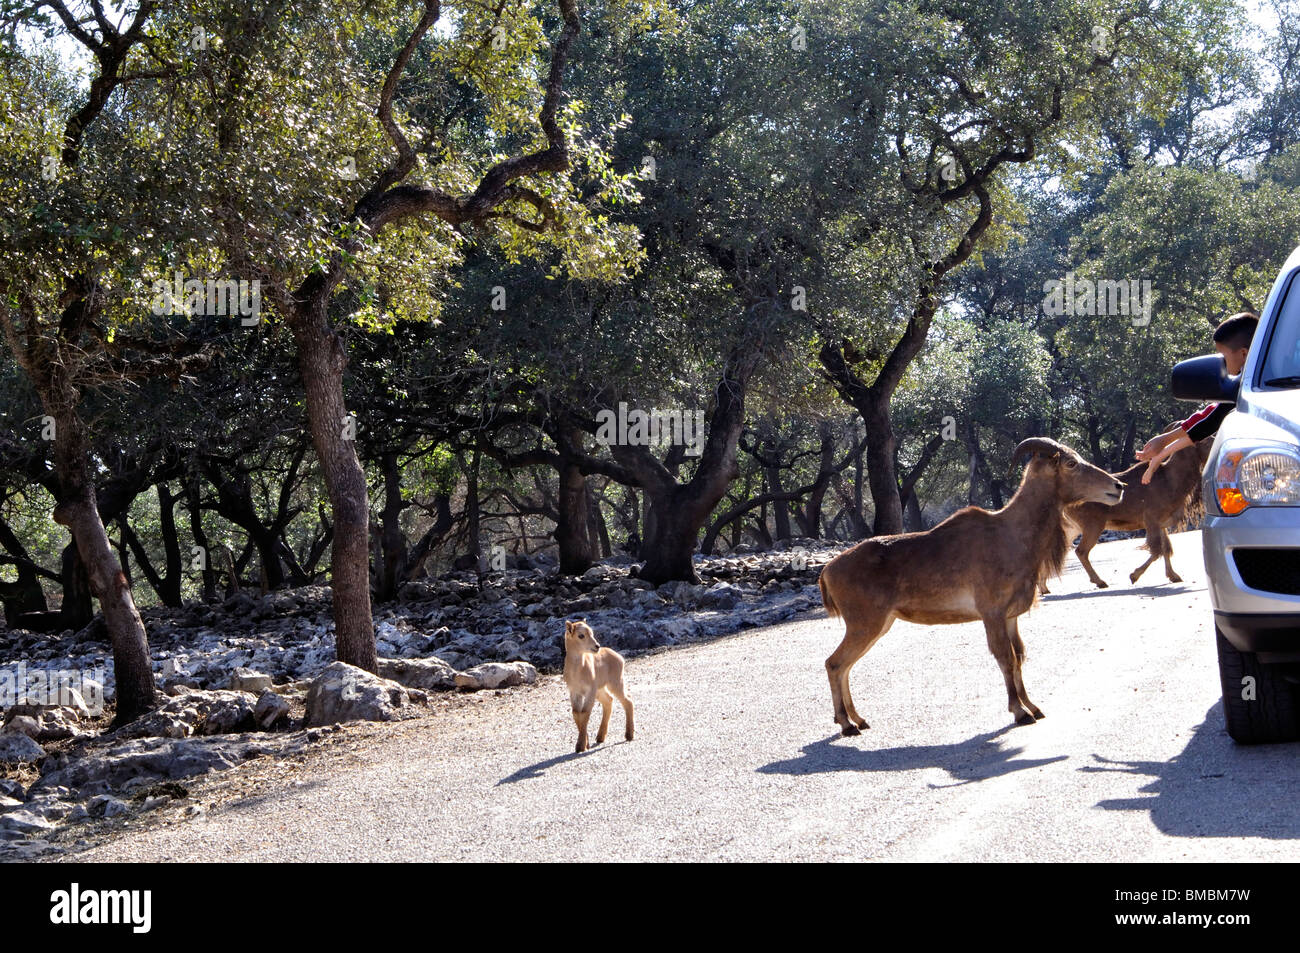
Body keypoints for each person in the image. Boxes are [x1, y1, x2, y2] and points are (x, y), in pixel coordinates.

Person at [1136, 312, 1258, 484]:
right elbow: (1207, 422)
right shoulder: (1253, 382)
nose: (1220, 364)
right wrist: (1163, 450)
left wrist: (1164, 443)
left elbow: (1209, 419)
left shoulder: (1249, 387)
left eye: (1223, 357)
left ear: (1244, 354)